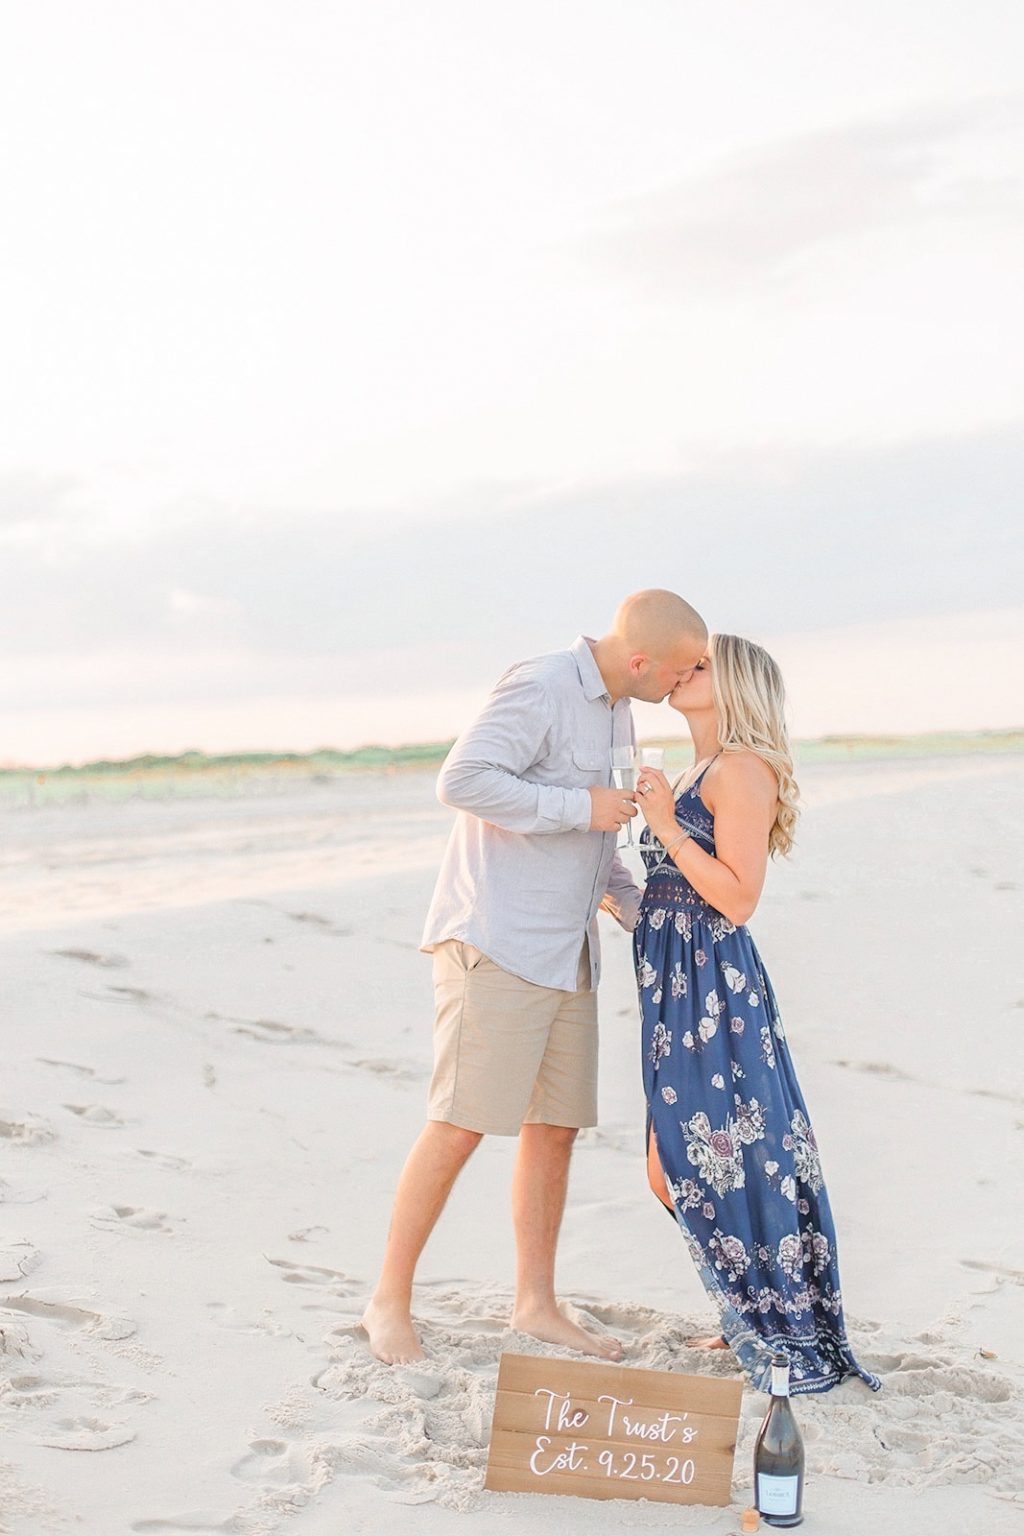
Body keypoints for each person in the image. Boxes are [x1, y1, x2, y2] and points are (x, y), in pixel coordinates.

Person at [360, 589, 708, 1365]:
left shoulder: (622, 709)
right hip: (498, 941)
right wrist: (575, 805)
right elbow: (463, 780)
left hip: (569, 948)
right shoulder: (541, 684)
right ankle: (386, 1302)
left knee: (555, 1131)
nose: (690, 681)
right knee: (458, 1123)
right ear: (643, 658)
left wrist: (633, 902)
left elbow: (600, 833)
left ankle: (536, 1306)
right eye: (684, 668)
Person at [633, 633, 881, 1395]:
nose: (681, 672)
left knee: (707, 1157)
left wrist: (666, 824)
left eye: (700, 665)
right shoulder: (696, 768)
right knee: (677, 1163)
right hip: (675, 982)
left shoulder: (742, 771)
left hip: (712, 986)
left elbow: (737, 897)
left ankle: (772, 1321)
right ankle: (750, 1307)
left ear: (736, 685)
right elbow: (676, 886)